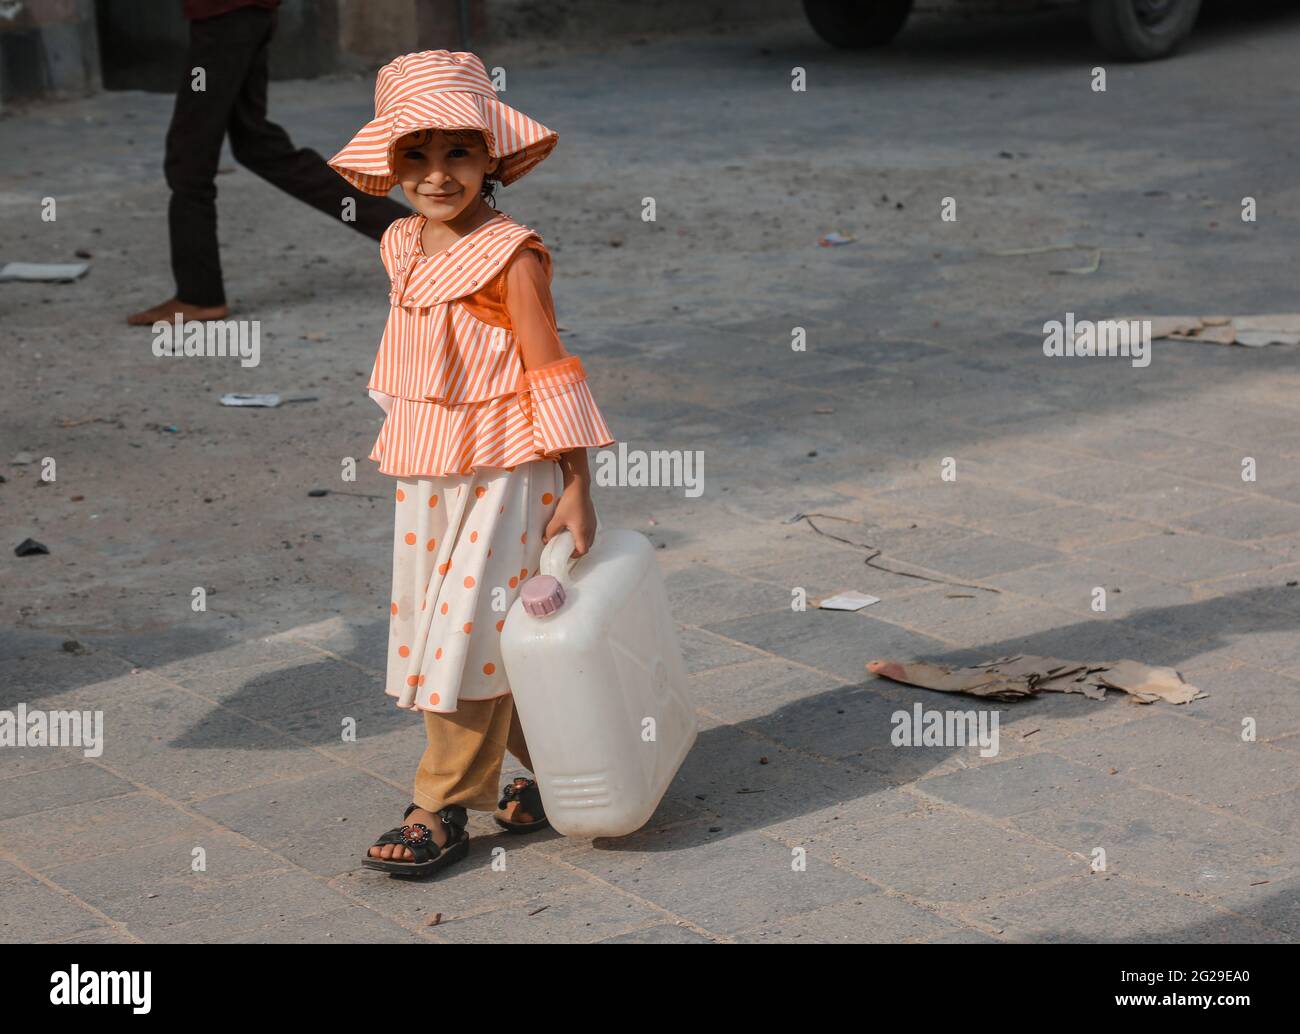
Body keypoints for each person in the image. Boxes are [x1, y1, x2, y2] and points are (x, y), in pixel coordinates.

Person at [331, 51, 616, 878]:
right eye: (414, 156)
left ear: (491, 154)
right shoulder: (400, 245)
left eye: (457, 152)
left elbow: (548, 369)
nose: (436, 175)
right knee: (474, 636)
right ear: (391, 167)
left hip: (506, 476)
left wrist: (576, 486)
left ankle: (441, 805)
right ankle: (560, 770)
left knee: (463, 644)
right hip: (430, 473)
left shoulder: (510, 254)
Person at [127, 0, 408, 325]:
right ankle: (413, 233)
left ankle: (199, 296)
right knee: (257, 144)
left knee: (189, 157)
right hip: (244, 14)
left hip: (224, 16)